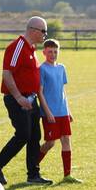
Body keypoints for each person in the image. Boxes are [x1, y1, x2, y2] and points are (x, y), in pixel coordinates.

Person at [0, 16, 51, 186]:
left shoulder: (32, 49)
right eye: (43, 31)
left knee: (35, 136)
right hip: (18, 99)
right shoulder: (18, 46)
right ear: (33, 30)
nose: (45, 34)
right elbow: (7, 73)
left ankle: (33, 174)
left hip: (31, 99)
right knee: (23, 135)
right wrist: (19, 98)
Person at [37, 38, 74, 180]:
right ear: (44, 52)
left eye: (55, 51)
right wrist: (47, 112)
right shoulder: (42, 69)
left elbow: (62, 90)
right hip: (50, 112)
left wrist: (68, 110)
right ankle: (33, 166)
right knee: (50, 142)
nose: (53, 54)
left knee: (66, 140)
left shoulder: (61, 68)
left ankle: (67, 175)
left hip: (62, 111)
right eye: (50, 52)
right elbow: (40, 92)